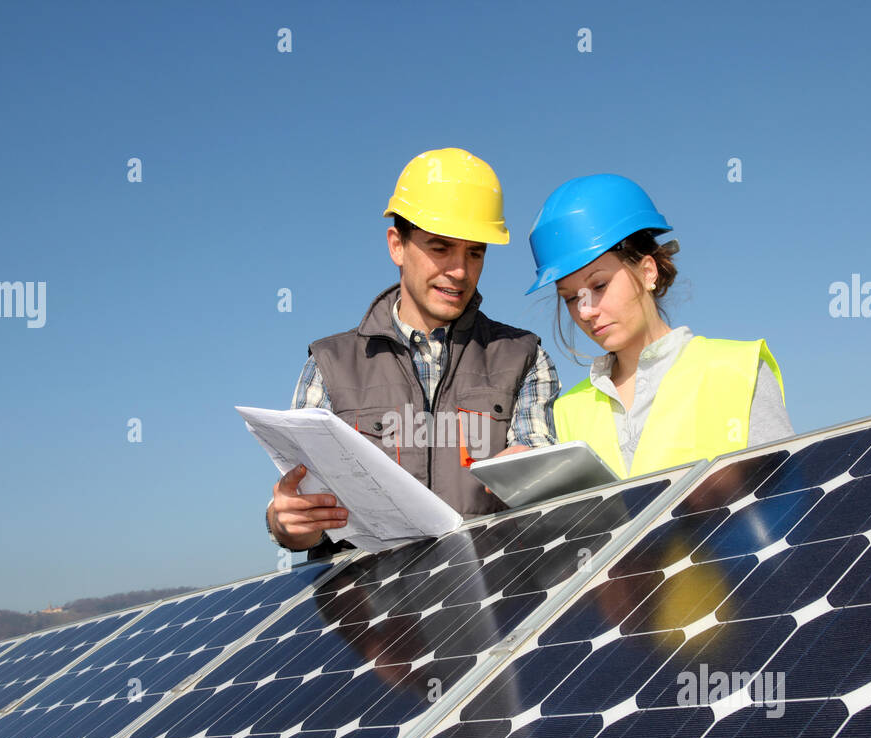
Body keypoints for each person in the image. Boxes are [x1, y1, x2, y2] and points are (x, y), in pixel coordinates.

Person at [267, 148, 560, 559]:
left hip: (490, 600)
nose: (460, 270)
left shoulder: (523, 358)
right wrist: (288, 523)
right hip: (365, 613)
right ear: (397, 245)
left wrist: (531, 472)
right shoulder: (328, 366)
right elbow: (305, 514)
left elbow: (539, 479)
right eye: (440, 248)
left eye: (475, 252)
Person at [526, 173, 794, 479]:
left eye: (599, 285)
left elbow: (785, 502)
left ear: (647, 272)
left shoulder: (736, 370)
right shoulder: (567, 411)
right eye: (571, 298)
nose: (585, 311)